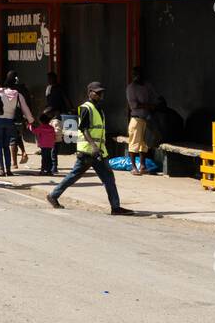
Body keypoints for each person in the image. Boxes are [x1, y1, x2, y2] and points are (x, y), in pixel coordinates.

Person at [47, 82, 133, 215]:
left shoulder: (98, 109)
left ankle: (54, 195)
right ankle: (115, 207)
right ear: (89, 93)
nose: (99, 95)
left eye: (101, 92)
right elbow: (84, 129)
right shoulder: (86, 108)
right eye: (96, 92)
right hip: (89, 150)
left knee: (79, 176)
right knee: (105, 178)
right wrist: (93, 146)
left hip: (97, 150)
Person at [0, 72, 35, 176]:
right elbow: (25, 109)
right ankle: (8, 170)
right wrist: (31, 121)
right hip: (9, 122)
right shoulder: (17, 94)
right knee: (6, 146)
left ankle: (1, 170)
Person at [125, 67, 160, 175]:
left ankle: (143, 166)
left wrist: (153, 105)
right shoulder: (131, 88)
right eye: (135, 74)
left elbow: (155, 98)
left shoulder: (147, 85)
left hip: (147, 118)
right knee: (134, 143)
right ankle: (134, 167)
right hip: (136, 119)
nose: (138, 76)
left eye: (139, 74)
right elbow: (134, 105)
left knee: (144, 144)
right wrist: (149, 106)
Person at [35, 107, 59, 176]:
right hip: (50, 145)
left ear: (41, 121)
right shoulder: (51, 128)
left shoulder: (41, 127)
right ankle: (49, 171)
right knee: (49, 158)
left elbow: (35, 131)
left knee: (44, 158)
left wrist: (30, 126)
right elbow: (54, 136)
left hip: (43, 146)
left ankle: (43, 170)